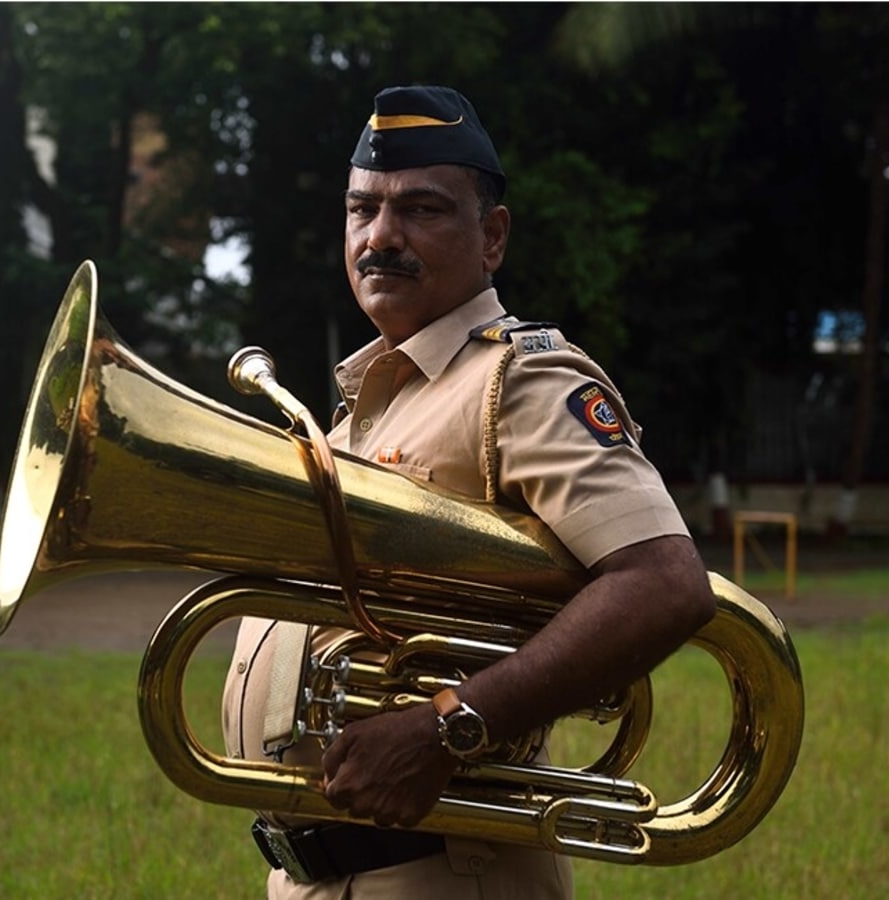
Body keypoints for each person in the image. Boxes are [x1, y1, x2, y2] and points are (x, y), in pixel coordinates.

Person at [221, 84, 716, 900]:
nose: (381, 237)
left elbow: (663, 582)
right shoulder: (361, 406)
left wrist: (445, 729)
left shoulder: (519, 382)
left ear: (491, 236)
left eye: (421, 210)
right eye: (361, 210)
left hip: (446, 876)